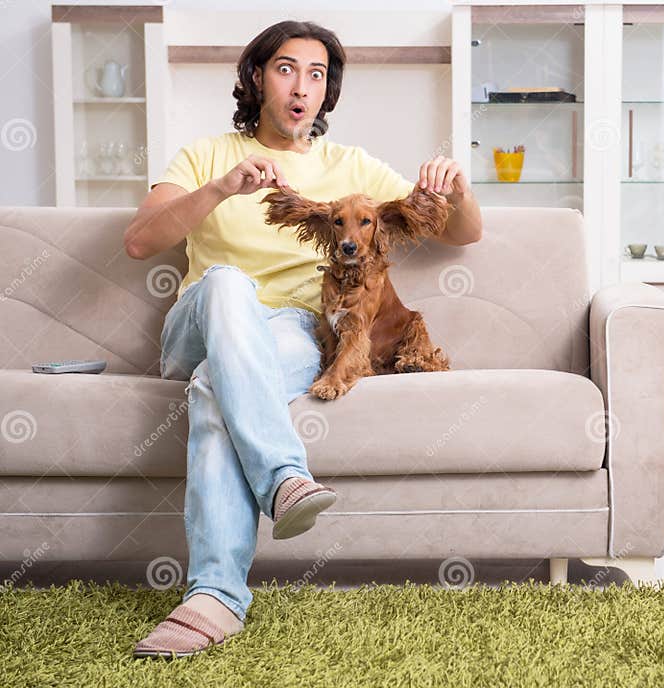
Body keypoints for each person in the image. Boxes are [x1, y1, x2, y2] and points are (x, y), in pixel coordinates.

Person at [124, 19, 482, 659]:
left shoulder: (351, 169)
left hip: (293, 329)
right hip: (201, 321)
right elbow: (140, 240)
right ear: (258, 77)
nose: (302, 87)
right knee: (230, 285)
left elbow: (463, 234)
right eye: (287, 69)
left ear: (326, 92)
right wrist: (220, 188)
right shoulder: (207, 154)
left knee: (216, 390)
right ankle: (284, 476)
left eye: (317, 75)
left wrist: (459, 184)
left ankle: (213, 600)